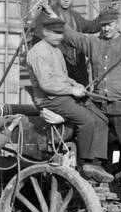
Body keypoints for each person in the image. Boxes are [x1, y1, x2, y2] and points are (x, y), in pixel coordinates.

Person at [63, 8, 121, 204]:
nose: (106, 29)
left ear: (117, 23)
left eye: (110, 25)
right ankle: (95, 175)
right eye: (103, 25)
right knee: (88, 125)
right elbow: (71, 36)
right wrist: (52, 16)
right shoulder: (93, 42)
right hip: (99, 103)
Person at [24, 16, 112, 185]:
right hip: (49, 99)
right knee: (86, 120)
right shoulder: (38, 53)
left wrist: (75, 83)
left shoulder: (56, 50)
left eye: (61, 33)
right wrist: (72, 90)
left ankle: (97, 162)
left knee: (101, 118)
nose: (59, 36)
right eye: (55, 33)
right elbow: (47, 84)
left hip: (62, 94)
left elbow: (62, 77)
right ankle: (85, 163)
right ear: (44, 32)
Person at [31, 0, 95, 85]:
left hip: (77, 66)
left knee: (84, 96)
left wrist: (107, 14)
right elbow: (37, 42)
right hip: (57, 67)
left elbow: (93, 26)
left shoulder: (76, 17)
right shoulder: (46, 15)